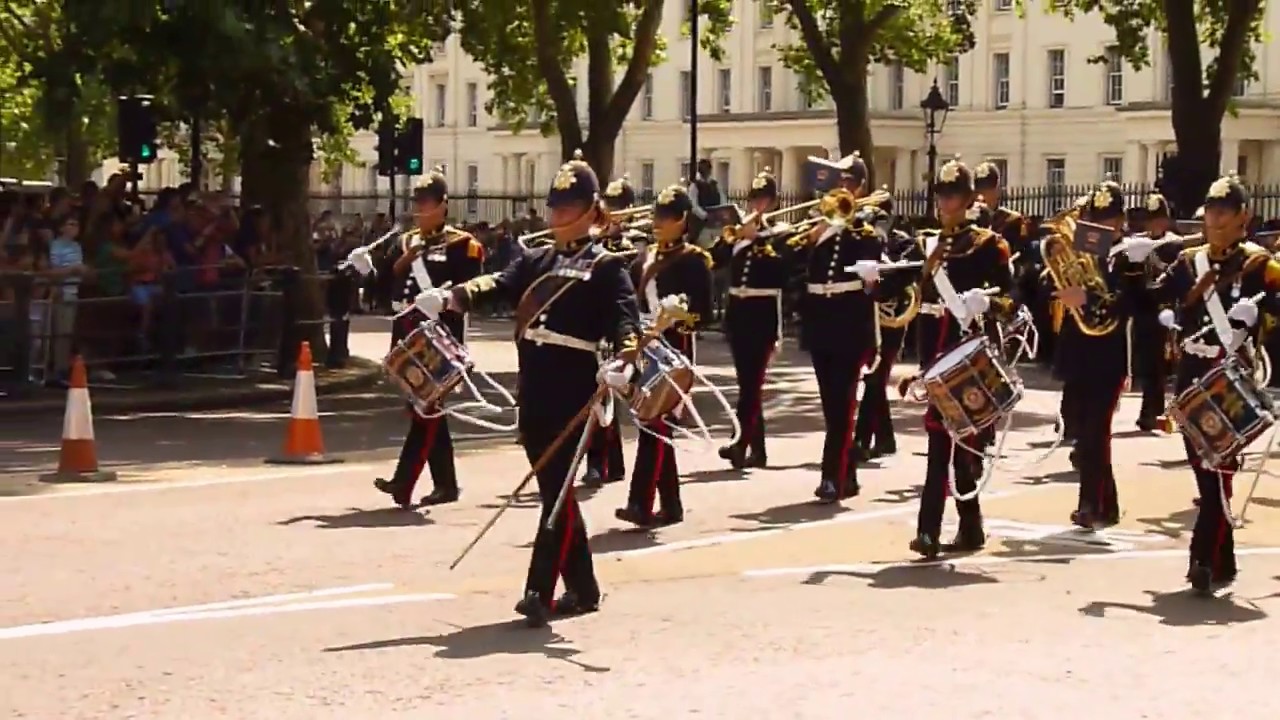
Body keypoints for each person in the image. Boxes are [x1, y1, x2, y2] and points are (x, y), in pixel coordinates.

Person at [418, 151, 642, 625]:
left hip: (574, 388)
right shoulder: (536, 259)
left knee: (557, 491)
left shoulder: (607, 268)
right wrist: (453, 296)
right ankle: (583, 588)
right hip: (534, 387)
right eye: (554, 209)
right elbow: (498, 282)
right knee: (552, 488)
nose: (557, 217)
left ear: (589, 211)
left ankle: (538, 590)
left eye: (566, 209)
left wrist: (623, 361)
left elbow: (627, 323)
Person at [1107, 175, 1279, 593]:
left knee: (1216, 467)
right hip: (1190, 379)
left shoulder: (1260, 265)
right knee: (1206, 470)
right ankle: (1224, 560)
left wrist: (1261, 319)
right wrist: (1129, 265)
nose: (1214, 220)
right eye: (1210, 212)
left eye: (1223, 212)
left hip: (1232, 378)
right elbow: (1147, 300)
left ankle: (1201, 560)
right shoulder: (1189, 262)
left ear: (1244, 217)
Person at [905, 159, 1016, 559]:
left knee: (952, 443)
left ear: (970, 199)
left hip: (968, 357)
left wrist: (987, 300)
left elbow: (1012, 299)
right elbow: (908, 295)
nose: (945, 203)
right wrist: (872, 283)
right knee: (947, 441)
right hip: (934, 352)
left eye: (953, 196)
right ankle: (961, 528)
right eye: (941, 195)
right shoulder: (929, 245)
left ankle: (934, 529)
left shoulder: (988, 245)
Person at [357, 168, 485, 509]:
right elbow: (383, 287)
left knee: (426, 407)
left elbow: (471, 288)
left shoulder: (463, 245)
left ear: (443, 206)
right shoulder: (405, 241)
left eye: (427, 202)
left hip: (439, 334)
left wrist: (443, 297)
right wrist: (369, 268)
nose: (420, 209)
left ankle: (404, 481)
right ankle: (446, 484)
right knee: (426, 408)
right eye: (417, 202)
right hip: (406, 329)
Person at [616, 184, 714, 527]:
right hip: (646, 347)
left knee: (655, 424)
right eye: (656, 215)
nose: (658, 222)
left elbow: (706, 313)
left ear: (682, 220)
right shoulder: (643, 259)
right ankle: (671, 505)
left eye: (666, 217)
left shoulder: (694, 260)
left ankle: (639, 502)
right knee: (657, 425)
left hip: (675, 349)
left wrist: (677, 316)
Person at [792, 152, 885, 503]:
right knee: (831, 404)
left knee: (843, 403)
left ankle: (831, 476)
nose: (842, 188)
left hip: (849, 322)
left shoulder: (866, 227)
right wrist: (815, 236)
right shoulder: (818, 229)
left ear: (859, 188)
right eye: (839, 182)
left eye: (849, 183)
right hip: (821, 322)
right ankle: (848, 474)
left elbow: (877, 260)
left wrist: (845, 229)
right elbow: (793, 266)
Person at [1052, 180, 1133, 531]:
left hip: (1110, 353)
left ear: (1121, 221)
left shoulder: (1131, 256)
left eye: (1110, 220)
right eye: (1097, 219)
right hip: (1080, 348)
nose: (1103, 226)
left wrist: (1088, 299)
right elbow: (1047, 278)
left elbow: (1131, 302)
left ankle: (1090, 504)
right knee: (1082, 425)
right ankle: (1107, 504)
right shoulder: (1085, 247)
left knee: (1095, 430)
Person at [715, 169, 788, 469]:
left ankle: (739, 442)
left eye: (763, 199)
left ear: (772, 203)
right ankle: (757, 449)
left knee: (750, 385)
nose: (756, 205)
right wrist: (734, 237)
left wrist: (757, 239)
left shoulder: (780, 234)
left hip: (762, 316)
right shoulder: (739, 234)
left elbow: (782, 271)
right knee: (748, 384)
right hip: (738, 316)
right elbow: (715, 258)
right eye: (753, 199)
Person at [580, 175, 640, 487]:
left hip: (614, 326)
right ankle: (610, 463)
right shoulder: (595, 242)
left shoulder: (631, 245)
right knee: (600, 396)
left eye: (619, 208)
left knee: (602, 396)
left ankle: (598, 463)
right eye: (610, 207)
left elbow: (625, 281)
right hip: (593, 325)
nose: (613, 213)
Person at [1130, 192, 1184, 429]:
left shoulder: (1174, 244)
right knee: (1143, 362)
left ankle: (1154, 411)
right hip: (1142, 307)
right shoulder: (1138, 241)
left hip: (1163, 311)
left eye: (1158, 219)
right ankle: (1149, 409)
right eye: (1150, 220)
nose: (1154, 224)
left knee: (1157, 364)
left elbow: (1176, 277)